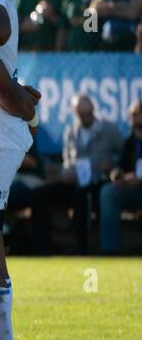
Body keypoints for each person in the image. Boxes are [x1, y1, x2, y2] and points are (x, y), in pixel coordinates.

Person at [33, 95, 125, 253]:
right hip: (76, 182)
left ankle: (83, 248)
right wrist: (67, 172)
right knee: (39, 195)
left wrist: (113, 165)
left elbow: (124, 155)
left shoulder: (109, 129)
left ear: (93, 110)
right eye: (81, 114)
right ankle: (43, 248)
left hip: (99, 181)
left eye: (88, 113)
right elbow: (67, 160)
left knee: (81, 197)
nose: (86, 117)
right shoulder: (71, 131)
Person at [100, 101, 142, 254]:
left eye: (138, 116)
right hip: (132, 190)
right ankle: (110, 251)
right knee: (108, 192)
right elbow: (122, 166)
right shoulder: (130, 141)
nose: (135, 121)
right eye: (132, 117)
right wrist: (117, 174)